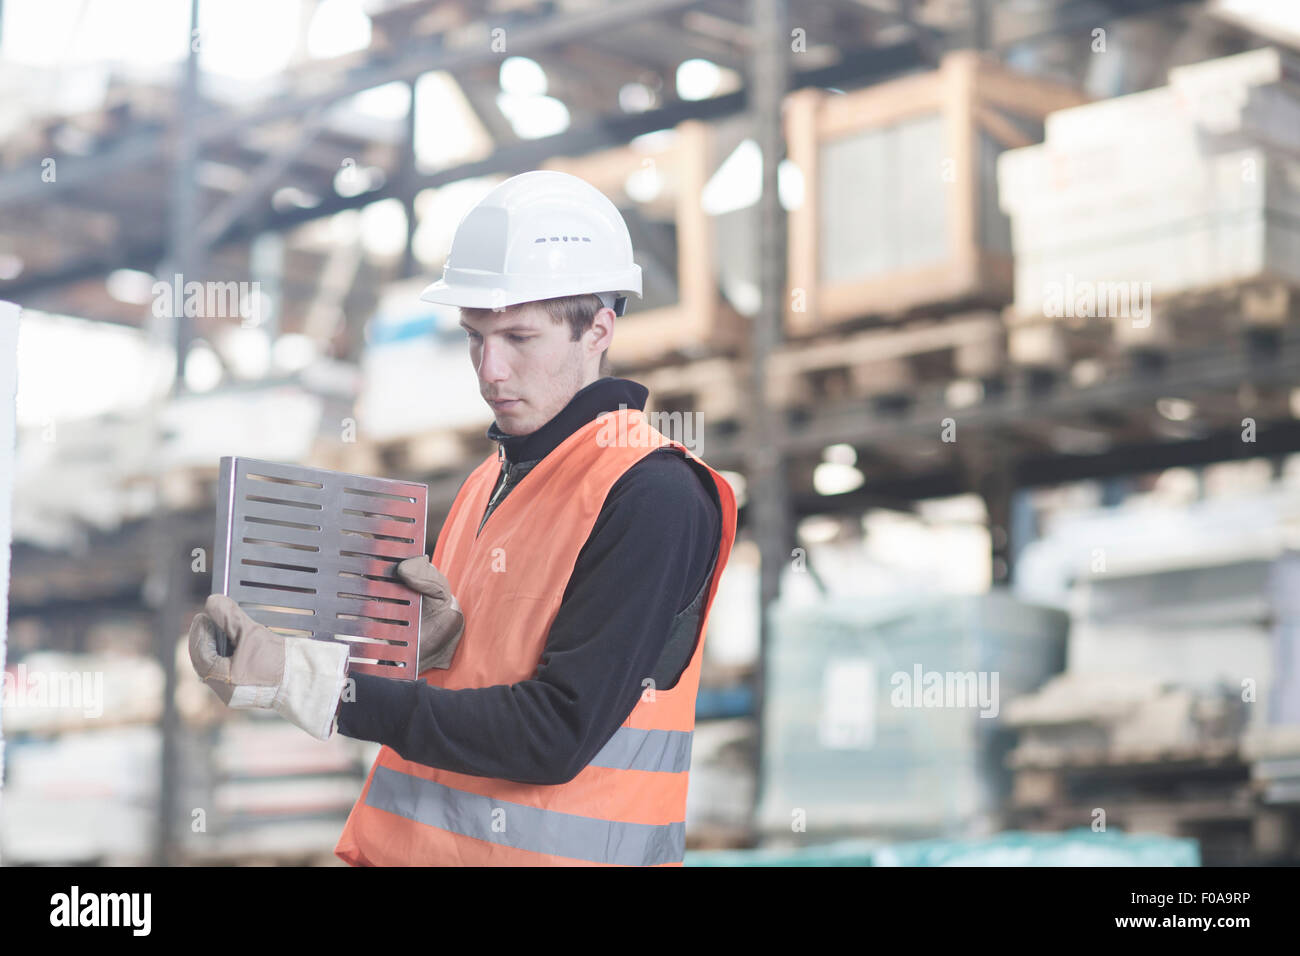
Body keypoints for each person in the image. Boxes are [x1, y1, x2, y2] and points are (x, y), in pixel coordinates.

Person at [187, 170, 738, 866]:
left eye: (518, 337)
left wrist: (309, 681)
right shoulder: (490, 482)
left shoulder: (654, 494)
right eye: (475, 336)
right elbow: (487, 685)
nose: (490, 371)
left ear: (599, 328)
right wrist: (434, 650)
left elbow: (552, 735)